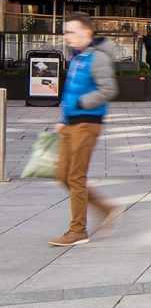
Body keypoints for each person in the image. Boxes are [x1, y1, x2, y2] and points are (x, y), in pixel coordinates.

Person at [51, 14, 119, 247]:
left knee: (75, 177)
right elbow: (71, 91)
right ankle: (106, 208)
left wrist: (82, 103)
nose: (67, 37)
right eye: (65, 32)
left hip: (87, 123)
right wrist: (64, 118)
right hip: (71, 122)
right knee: (62, 176)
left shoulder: (98, 58)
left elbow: (108, 89)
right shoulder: (78, 57)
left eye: (71, 32)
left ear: (87, 32)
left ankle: (77, 230)